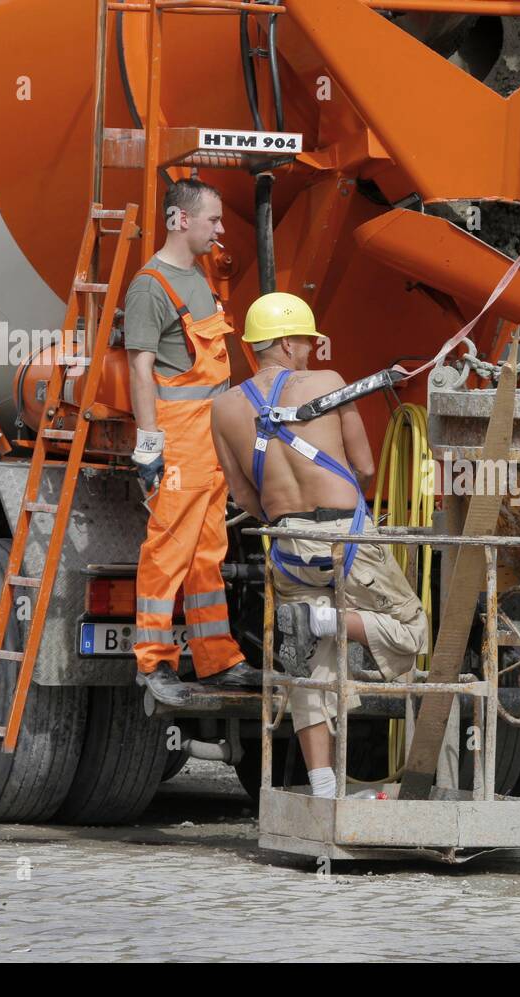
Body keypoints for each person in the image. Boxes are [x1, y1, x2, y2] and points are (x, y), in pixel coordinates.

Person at [210, 293, 428, 799]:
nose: (310, 351)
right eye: (306, 342)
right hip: (347, 538)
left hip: (285, 544)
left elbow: (242, 494)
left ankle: (324, 789)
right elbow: (367, 467)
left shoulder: (223, 407)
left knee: (306, 664)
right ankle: (329, 621)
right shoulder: (331, 385)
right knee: (412, 628)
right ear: (287, 342)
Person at [124, 177, 260, 699]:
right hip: (177, 442)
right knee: (169, 549)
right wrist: (149, 442)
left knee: (207, 553)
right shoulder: (150, 287)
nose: (221, 230)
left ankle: (216, 658)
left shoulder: (199, 279)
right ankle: (153, 662)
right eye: (213, 220)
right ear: (180, 220)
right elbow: (141, 371)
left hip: (209, 441)